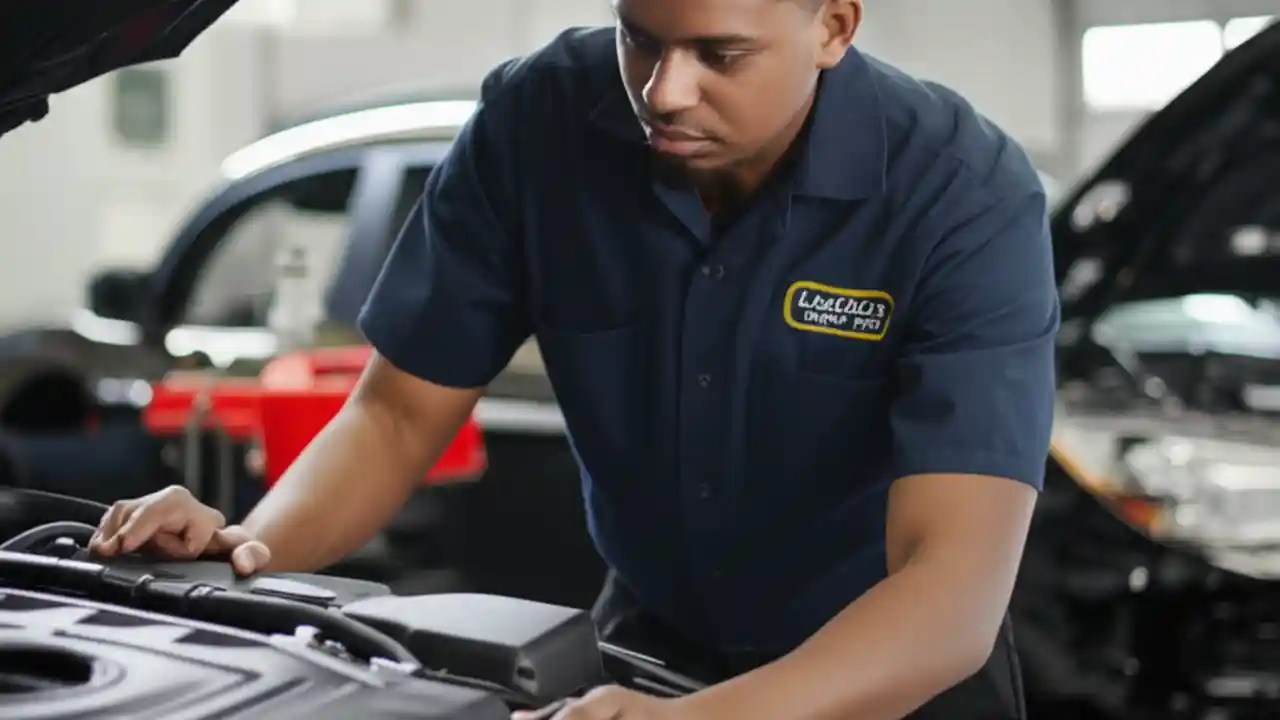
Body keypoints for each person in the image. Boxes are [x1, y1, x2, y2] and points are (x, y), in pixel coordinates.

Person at [90, 0, 1059, 717]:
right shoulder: (538, 123)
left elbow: (944, 599)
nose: (662, 91)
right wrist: (248, 556)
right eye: (639, 35)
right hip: (649, 646)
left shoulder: (958, 195)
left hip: (890, 678)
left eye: (719, 54)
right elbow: (396, 415)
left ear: (834, 26)